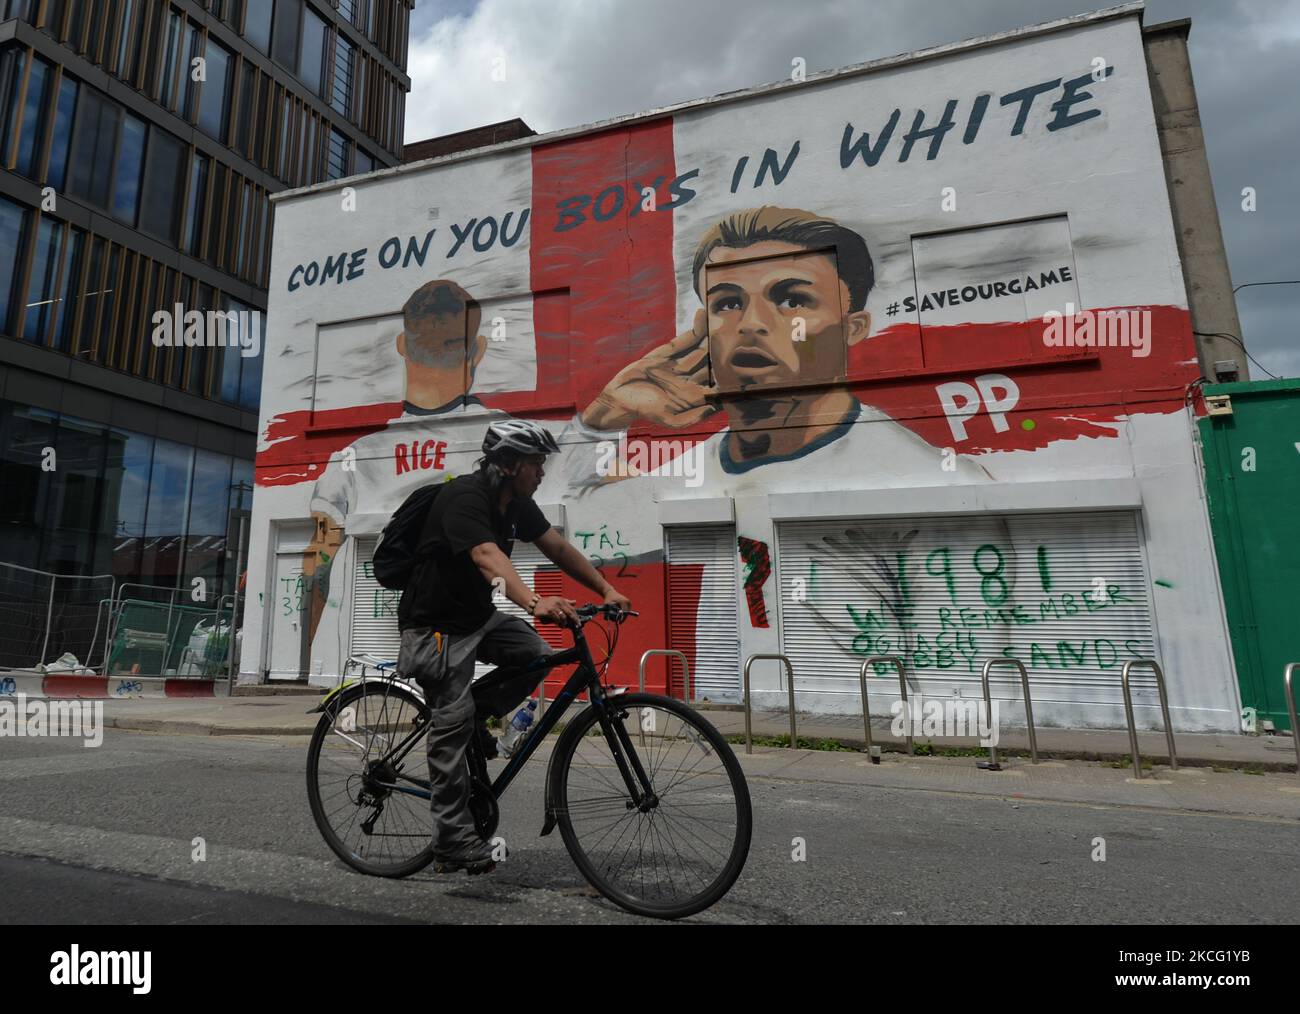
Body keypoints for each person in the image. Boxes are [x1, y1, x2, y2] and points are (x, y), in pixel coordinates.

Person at [397, 418, 632, 874]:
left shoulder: (518, 505)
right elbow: (487, 557)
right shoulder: (464, 497)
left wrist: (605, 589)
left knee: (535, 654)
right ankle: (451, 840)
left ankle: (476, 717)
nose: (542, 473)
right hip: (434, 627)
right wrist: (533, 600)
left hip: (476, 618)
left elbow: (558, 549)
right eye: (535, 464)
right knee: (450, 727)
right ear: (507, 464)